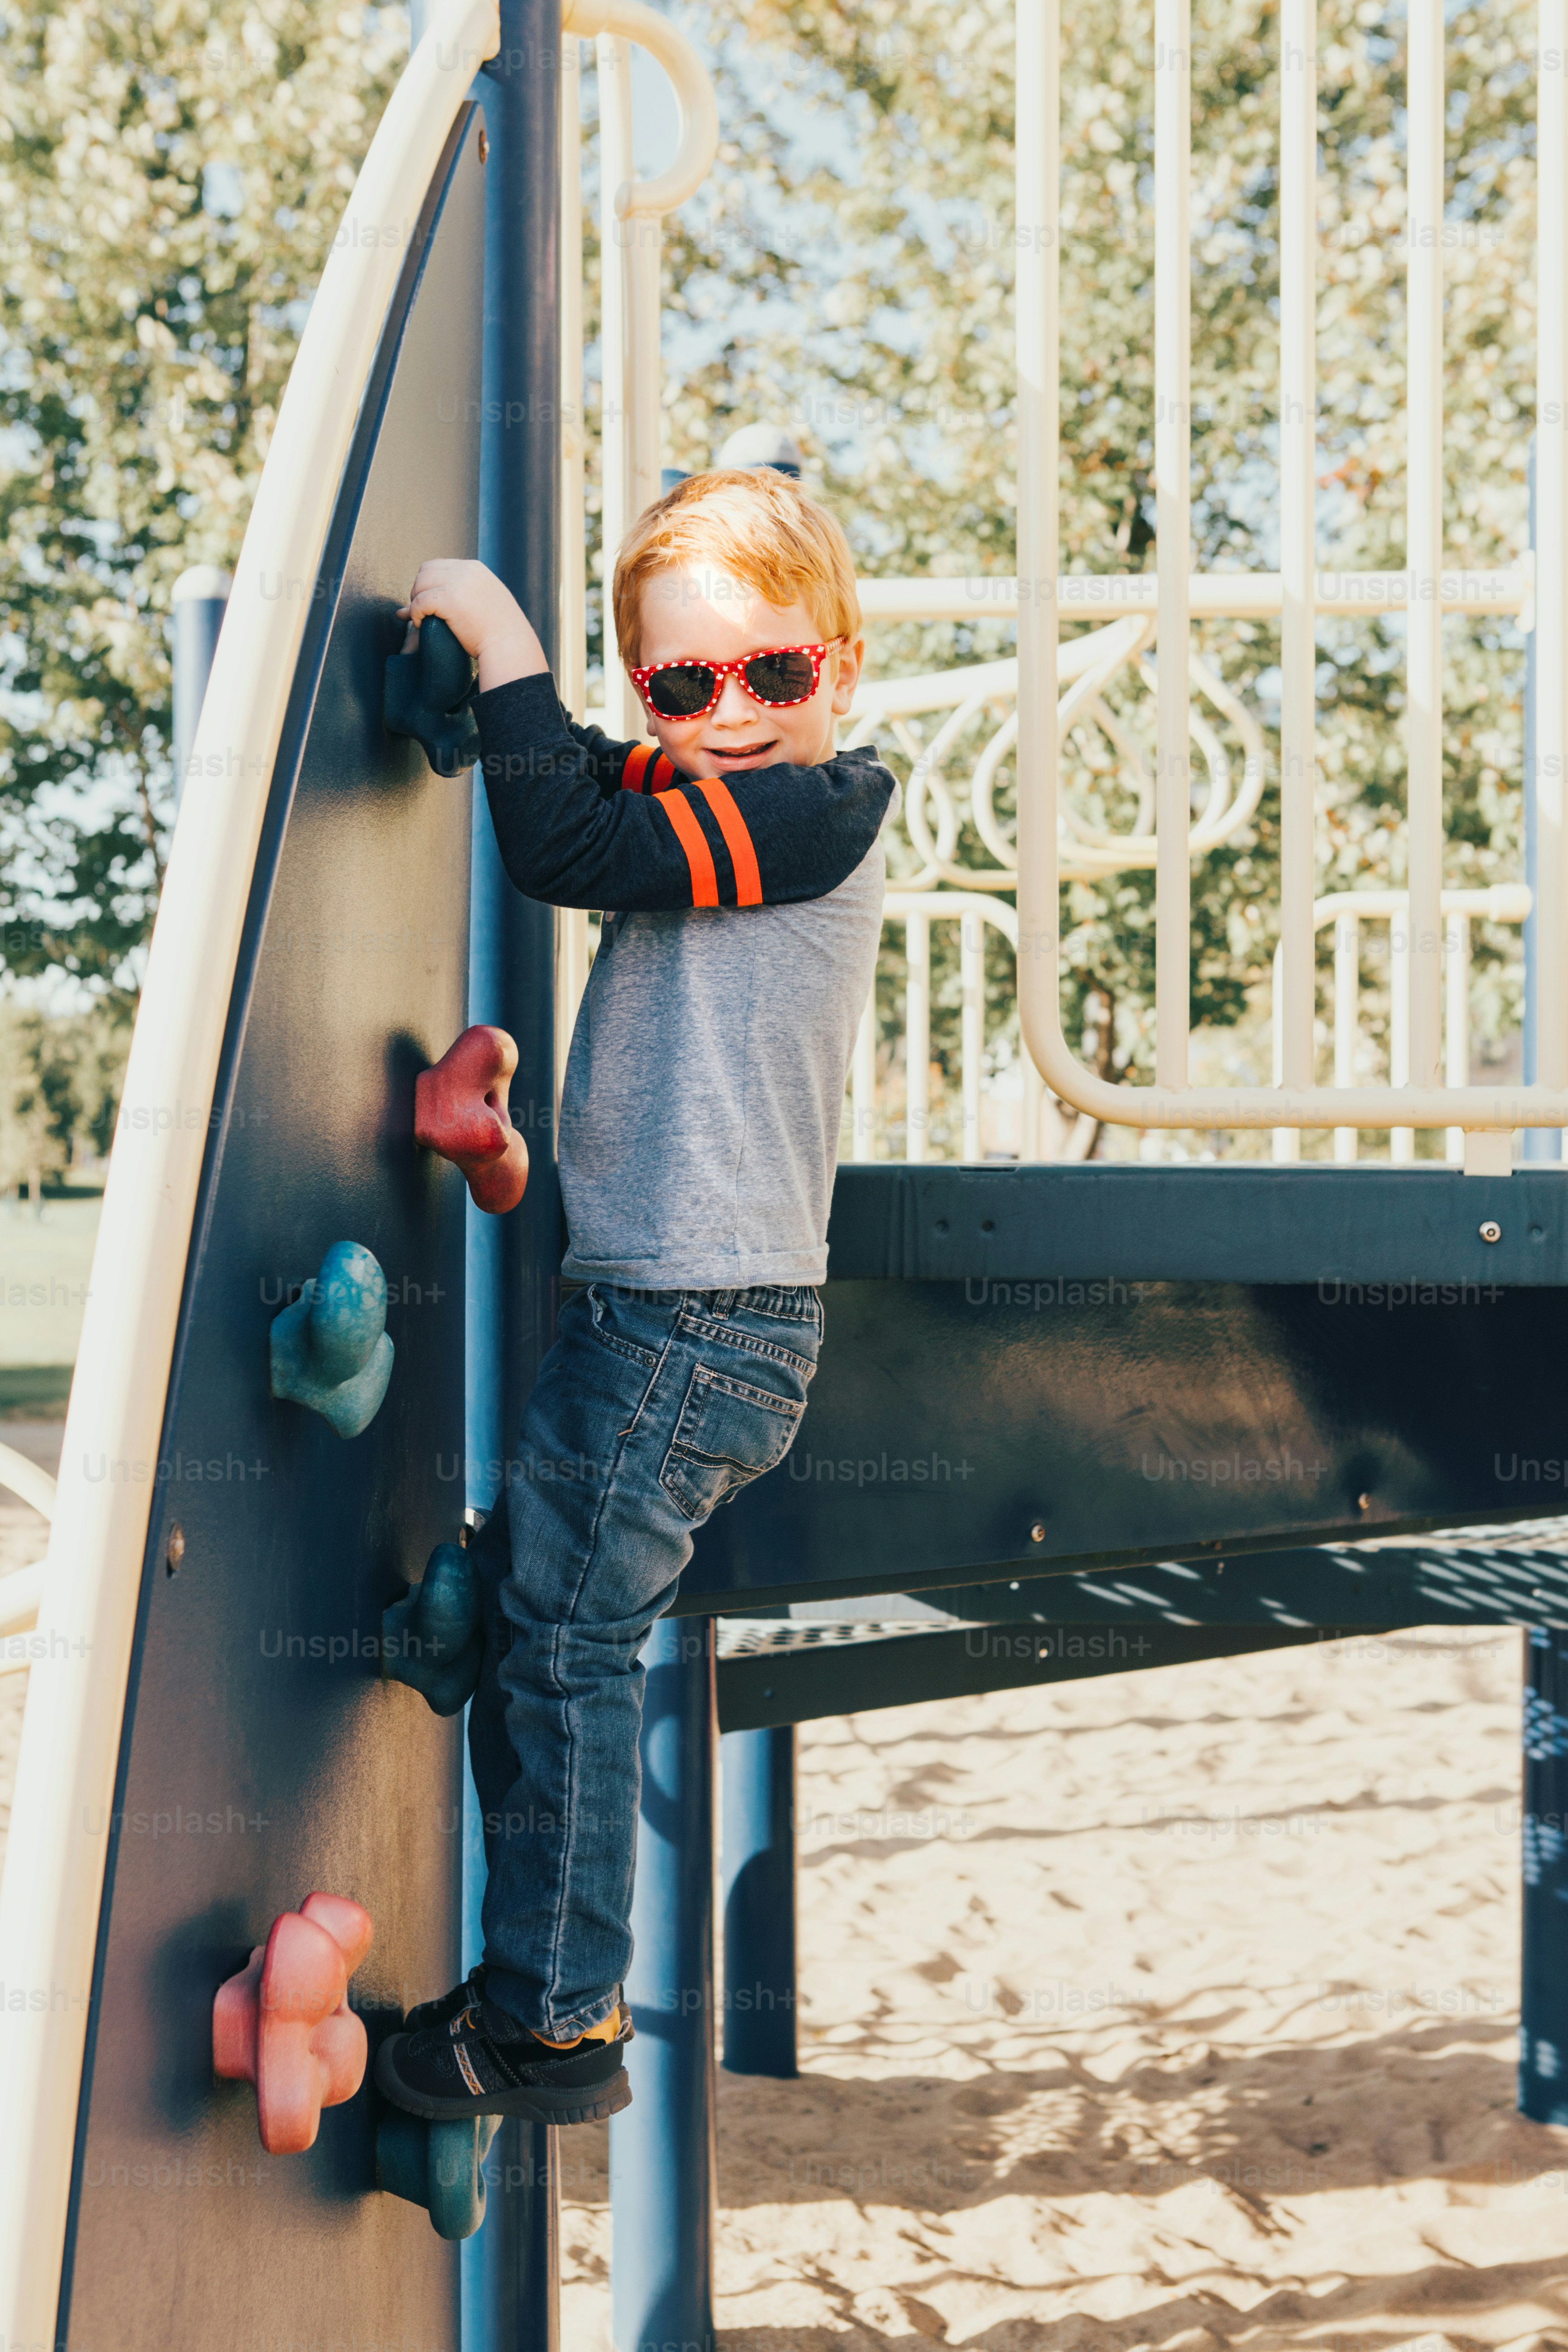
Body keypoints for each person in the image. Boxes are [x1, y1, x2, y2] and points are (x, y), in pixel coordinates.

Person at [374, 468, 895, 2125]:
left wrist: (506, 645)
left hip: (698, 1324)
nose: (734, 717)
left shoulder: (821, 812)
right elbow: (591, 791)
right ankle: (535, 1980)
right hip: (653, 1313)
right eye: (685, 684)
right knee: (549, 1620)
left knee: (574, 1643)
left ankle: (552, 2020)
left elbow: (564, 833)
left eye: (775, 674)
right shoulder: (702, 799)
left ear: (844, 669)